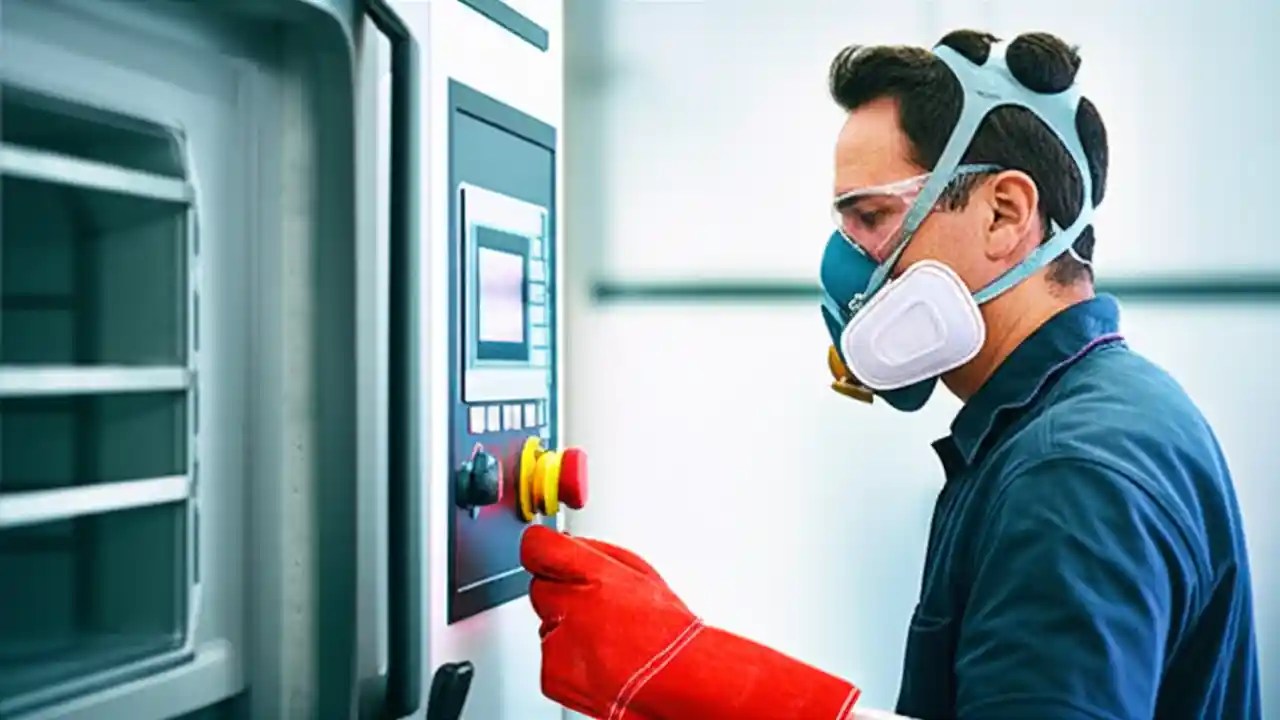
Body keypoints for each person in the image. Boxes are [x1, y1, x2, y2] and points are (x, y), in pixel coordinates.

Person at [519, 29, 1262, 720]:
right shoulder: (1103, 414)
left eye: (870, 217)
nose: (846, 264)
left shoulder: (1071, 474)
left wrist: (698, 678)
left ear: (1004, 214)